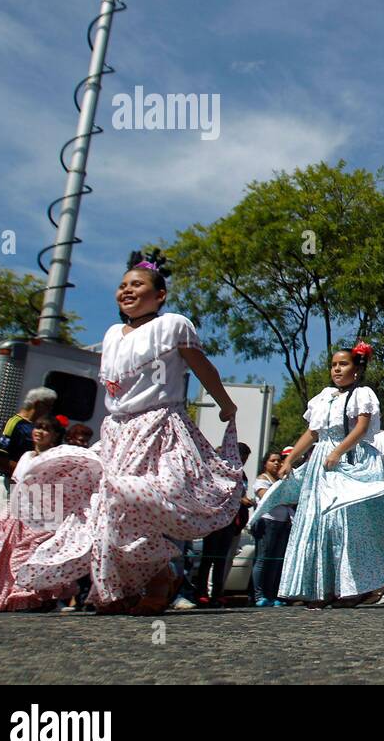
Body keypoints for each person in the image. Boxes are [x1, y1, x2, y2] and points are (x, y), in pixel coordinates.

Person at [17, 261, 245, 615]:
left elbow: (202, 366)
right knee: (106, 509)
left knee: (135, 499)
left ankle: (159, 578)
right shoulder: (111, 334)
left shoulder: (173, 325)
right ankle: (118, 588)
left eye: (137, 284)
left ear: (159, 295)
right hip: (117, 430)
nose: (126, 290)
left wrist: (226, 404)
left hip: (158, 425)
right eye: (122, 285)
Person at [255, 343, 384, 607]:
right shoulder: (324, 397)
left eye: (343, 364)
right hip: (322, 463)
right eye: (333, 365)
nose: (337, 369)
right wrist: (291, 459)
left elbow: (362, 427)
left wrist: (338, 451)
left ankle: (352, 590)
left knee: (347, 524)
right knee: (319, 524)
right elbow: (312, 433)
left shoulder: (362, 394)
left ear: (356, 369)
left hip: (352, 460)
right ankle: (320, 590)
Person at [0, 417, 93, 612]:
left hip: (44, 513)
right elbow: (17, 483)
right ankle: (9, 597)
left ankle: (36, 596)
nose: (39, 432)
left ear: (55, 435)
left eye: (45, 429)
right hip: (19, 511)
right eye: (38, 427)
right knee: (8, 555)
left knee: (35, 554)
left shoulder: (58, 456)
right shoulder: (27, 456)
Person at [194, 442, 254, 605]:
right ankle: (201, 591)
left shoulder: (241, 474)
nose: (243, 461)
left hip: (231, 521)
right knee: (208, 558)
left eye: (246, 458)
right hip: (215, 519)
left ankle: (217, 592)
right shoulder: (216, 472)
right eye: (242, 457)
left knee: (222, 558)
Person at [250, 450, 292, 607]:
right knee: (263, 559)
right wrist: (284, 499)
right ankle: (258, 595)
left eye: (279, 461)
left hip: (283, 522)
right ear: (265, 463)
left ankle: (271, 593)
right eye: (273, 460)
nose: (277, 463)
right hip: (267, 522)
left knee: (276, 560)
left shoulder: (282, 480)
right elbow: (268, 498)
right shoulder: (262, 479)